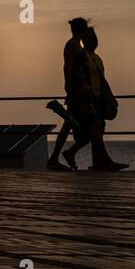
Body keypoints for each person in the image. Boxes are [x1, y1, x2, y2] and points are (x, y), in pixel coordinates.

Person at [62, 27, 127, 171]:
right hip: (86, 100)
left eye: (95, 37)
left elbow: (101, 80)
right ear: (84, 40)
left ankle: (77, 154)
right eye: (90, 37)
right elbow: (78, 77)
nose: (94, 40)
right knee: (94, 130)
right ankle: (104, 162)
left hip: (97, 99)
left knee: (95, 131)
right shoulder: (82, 56)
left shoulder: (97, 58)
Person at [47, 17, 89, 170]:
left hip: (79, 91)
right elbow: (68, 68)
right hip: (76, 92)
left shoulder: (76, 45)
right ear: (82, 29)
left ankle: (57, 157)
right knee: (83, 125)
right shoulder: (72, 45)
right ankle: (61, 156)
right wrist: (70, 90)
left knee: (68, 124)